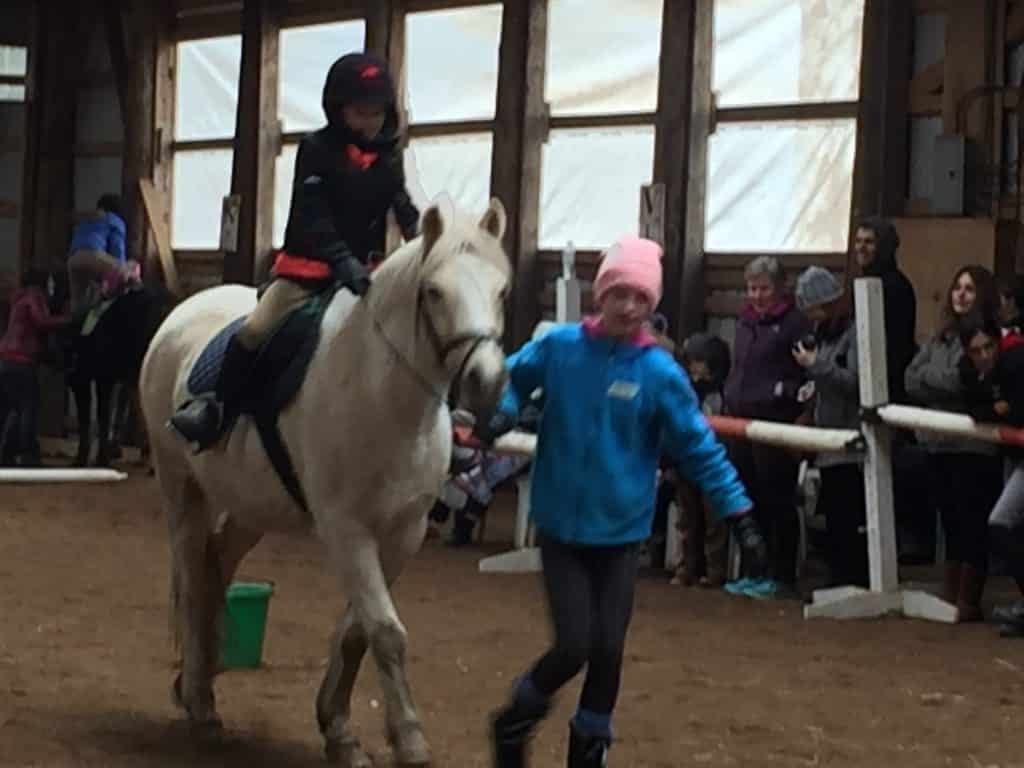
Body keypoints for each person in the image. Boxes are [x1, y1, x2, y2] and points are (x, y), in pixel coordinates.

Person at [476, 235, 766, 768]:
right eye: (619, 294)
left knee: (608, 651)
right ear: (600, 294)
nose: (628, 307)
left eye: (640, 298)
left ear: (651, 306)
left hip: (622, 533)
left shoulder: (659, 375)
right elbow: (510, 377)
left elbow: (698, 446)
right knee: (573, 646)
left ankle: (589, 751)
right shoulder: (559, 348)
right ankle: (516, 717)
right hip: (562, 525)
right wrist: (505, 411)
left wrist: (739, 512)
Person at [169, 51, 421, 450]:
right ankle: (215, 406)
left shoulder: (389, 156)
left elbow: (403, 205)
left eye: (376, 111)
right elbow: (313, 217)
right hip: (307, 274)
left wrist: (424, 240)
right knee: (254, 330)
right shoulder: (316, 149)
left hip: (366, 277)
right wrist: (342, 262)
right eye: (360, 111)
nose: (370, 120)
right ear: (338, 109)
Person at [905, 265, 1001, 622]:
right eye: (957, 287)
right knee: (949, 521)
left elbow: (969, 382)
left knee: (971, 523)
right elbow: (910, 378)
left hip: (974, 447)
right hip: (937, 444)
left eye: (970, 289)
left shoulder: (989, 338)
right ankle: (950, 592)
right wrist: (945, 381)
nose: (961, 294)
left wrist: (939, 382)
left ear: (983, 296)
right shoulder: (940, 336)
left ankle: (968, 597)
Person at [722, 256, 811, 599]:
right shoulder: (744, 323)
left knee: (778, 500)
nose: (757, 295)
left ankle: (782, 575)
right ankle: (752, 570)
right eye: (751, 288)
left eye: (763, 288)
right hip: (740, 423)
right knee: (746, 501)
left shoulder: (794, 325)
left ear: (779, 288)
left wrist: (785, 395)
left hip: (776, 425)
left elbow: (806, 377)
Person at [791, 266, 868, 588]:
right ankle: (839, 580)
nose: (814, 318)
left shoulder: (855, 335)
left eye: (816, 310)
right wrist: (812, 386)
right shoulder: (825, 335)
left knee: (847, 517)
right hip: (827, 440)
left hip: (850, 440)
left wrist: (816, 368)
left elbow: (856, 383)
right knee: (834, 516)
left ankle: (852, 581)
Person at [958, 311, 1024, 635]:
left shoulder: (1014, 362)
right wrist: (998, 409)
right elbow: (980, 409)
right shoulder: (969, 371)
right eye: (976, 350)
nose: (984, 355)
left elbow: (1014, 411)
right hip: (1015, 456)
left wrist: (998, 409)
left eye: (988, 348)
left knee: (1001, 523)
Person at [672, 331, 732, 587]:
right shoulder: (685, 390)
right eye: (691, 361)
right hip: (687, 459)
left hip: (714, 462)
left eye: (700, 361)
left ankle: (714, 570)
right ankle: (687, 567)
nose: (694, 367)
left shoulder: (725, 393)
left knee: (713, 519)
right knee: (687, 518)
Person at [0, 267, 71, 466]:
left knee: (11, 409)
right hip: (22, 360)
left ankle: (6, 455)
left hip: (5, 359)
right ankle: (28, 455)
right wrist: (69, 320)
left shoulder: (17, 297)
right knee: (27, 409)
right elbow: (41, 320)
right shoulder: (34, 295)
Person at [852, 217, 916, 404]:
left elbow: (895, 345)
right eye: (858, 241)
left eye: (869, 242)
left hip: (887, 386)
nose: (861, 248)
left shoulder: (896, 286)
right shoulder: (862, 283)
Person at [66, 194, 128, 319]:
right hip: (93, 256)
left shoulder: (87, 219)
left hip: (73, 259)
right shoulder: (115, 220)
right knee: (124, 271)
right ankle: (117, 316)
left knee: (77, 301)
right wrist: (122, 267)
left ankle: (74, 330)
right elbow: (118, 249)